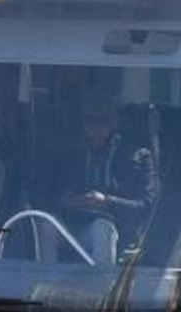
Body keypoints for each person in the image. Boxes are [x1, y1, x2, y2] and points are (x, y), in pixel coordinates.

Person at [60, 94, 158, 261]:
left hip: (117, 231)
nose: (96, 129)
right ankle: (43, 284)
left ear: (114, 124)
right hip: (74, 226)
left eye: (103, 123)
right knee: (45, 226)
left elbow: (146, 206)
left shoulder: (139, 156)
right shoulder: (74, 153)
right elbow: (52, 196)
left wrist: (107, 202)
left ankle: (101, 286)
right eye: (90, 122)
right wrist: (71, 200)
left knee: (101, 228)